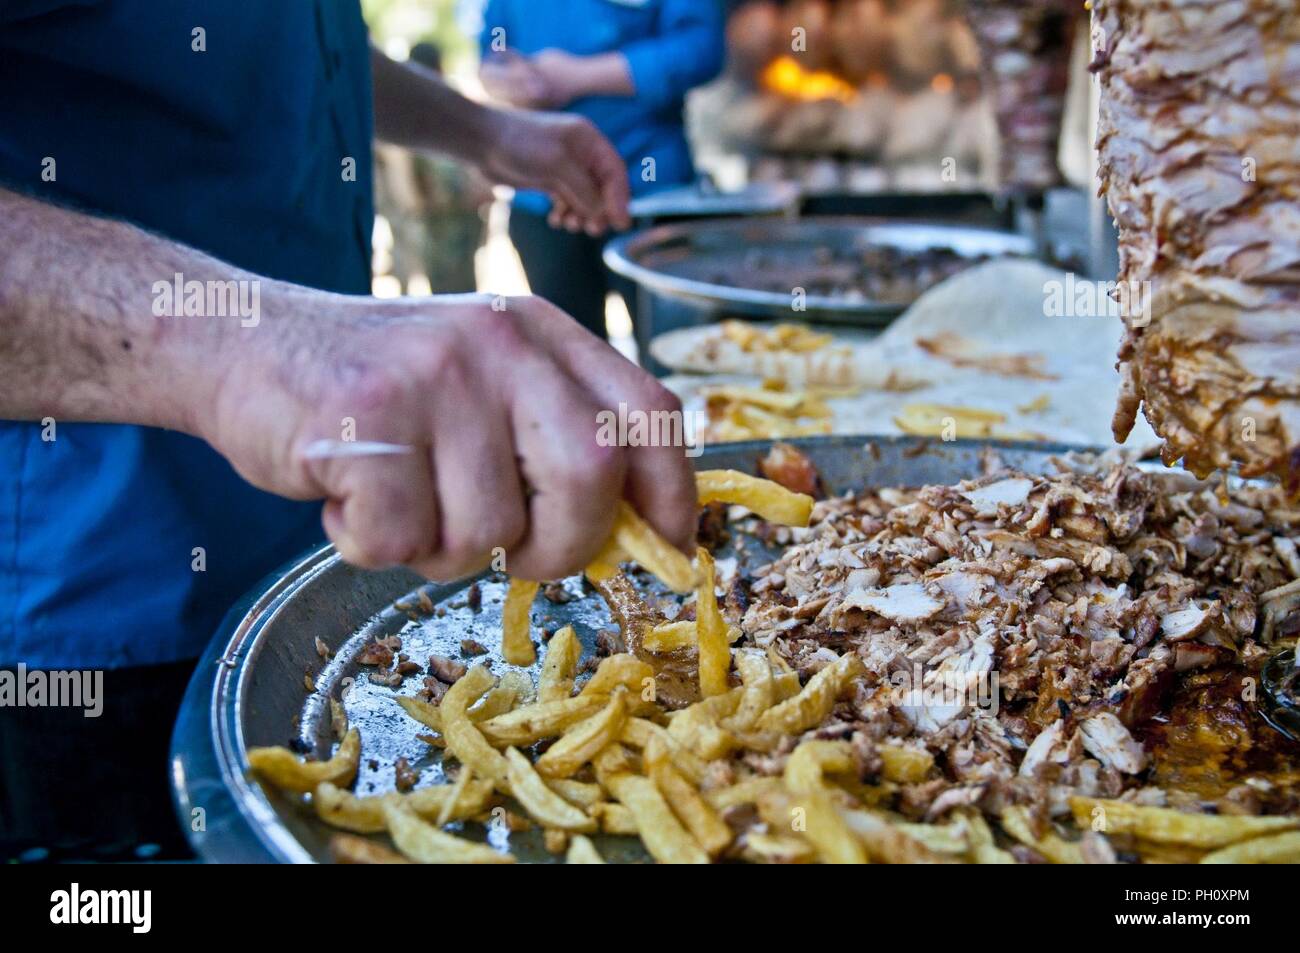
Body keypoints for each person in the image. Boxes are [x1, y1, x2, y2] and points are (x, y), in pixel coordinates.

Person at [0, 1, 696, 861]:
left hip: (334, 517)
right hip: (99, 582)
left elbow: (278, 38)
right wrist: (245, 340)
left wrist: (488, 133)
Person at [478, 0, 726, 338]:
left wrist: (577, 77)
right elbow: (492, 48)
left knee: (675, 351)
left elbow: (702, 48)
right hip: (542, 201)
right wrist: (503, 79)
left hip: (650, 197)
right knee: (569, 360)